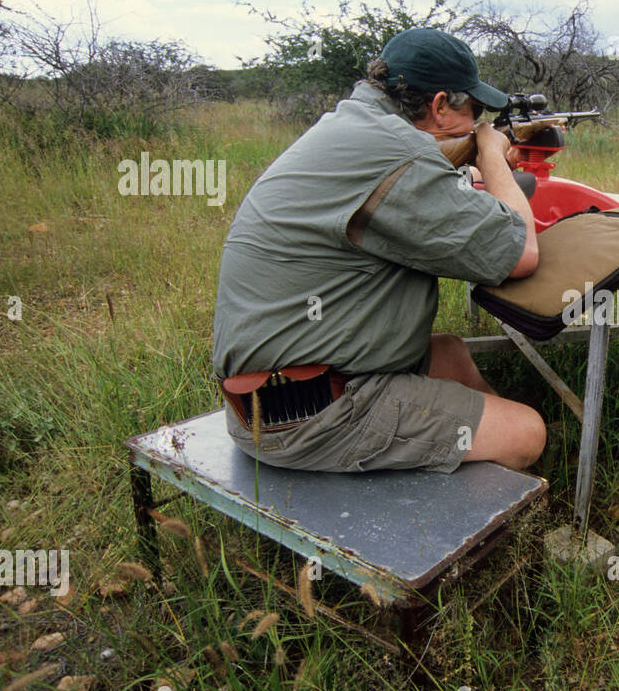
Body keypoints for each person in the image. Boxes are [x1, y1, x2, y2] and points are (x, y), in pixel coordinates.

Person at [211, 27, 546, 473]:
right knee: (526, 433)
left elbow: (409, 193)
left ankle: (479, 458)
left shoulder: (352, 127)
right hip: (307, 417)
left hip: (267, 398)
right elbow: (521, 252)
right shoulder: (400, 151)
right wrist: (490, 153)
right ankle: (457, 509)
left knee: (449, 353)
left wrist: (474, 161)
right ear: (440, 106)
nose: (478, 123)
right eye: (476, 111)